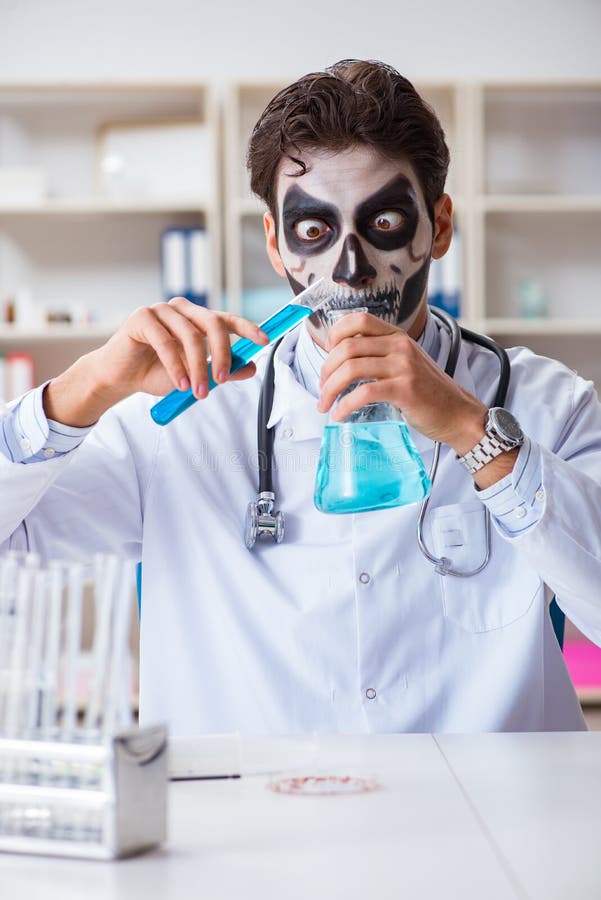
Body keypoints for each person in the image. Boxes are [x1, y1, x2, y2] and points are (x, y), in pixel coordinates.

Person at [1, 59, 600, 736]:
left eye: (383, 223)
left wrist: (469, 429)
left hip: (494, 828)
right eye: (314, 230)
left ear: (438, 225)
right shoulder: (186, 415)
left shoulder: (547, 402)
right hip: (250, 831)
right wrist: (82, 390)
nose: (349, 269)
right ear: (275, 243)